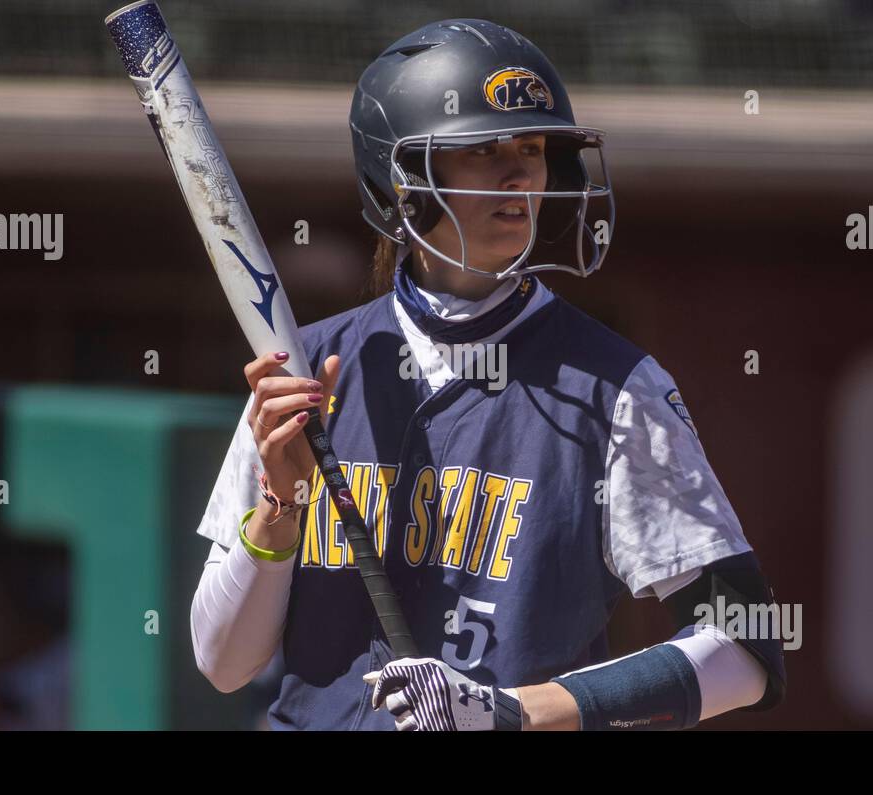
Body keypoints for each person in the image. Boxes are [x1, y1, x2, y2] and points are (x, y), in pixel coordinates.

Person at [191, 18, 785, 731]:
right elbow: (223, 663)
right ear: (401, 180)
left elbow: (747, 651)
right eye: (481, 150)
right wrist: (279, 508)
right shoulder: (304, 370)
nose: (517, 176)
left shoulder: (615, 387)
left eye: (531, 149)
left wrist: (510, 711)